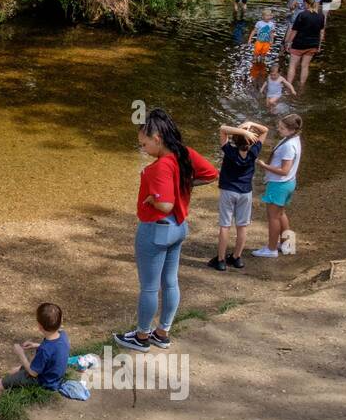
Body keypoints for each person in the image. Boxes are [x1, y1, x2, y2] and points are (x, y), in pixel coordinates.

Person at [114, 109, 218, 352]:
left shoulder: (158, 168)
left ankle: (141, 337)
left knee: (149, 287)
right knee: (170, 282)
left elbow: (166, 205)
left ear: (157, 139)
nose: (143, 149)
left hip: (156, 231)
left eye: (144, 144)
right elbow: (212, 174)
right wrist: (186, 183)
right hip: (179, 227)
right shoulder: (184, 154)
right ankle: (163, 332)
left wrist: (153, 200)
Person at [0, 303, 69, 409]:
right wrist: (35, 345)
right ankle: (0, 392)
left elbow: (33, 373)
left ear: (39, 326)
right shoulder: (63, 335)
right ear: (61, 321)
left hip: (44, 381)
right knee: (14, 370)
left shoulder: (45, 350)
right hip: (53, 374)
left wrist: (21, 354)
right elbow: (54, 349)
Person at [209, 121, 267, 271]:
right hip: (245, 193)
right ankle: (236, 257)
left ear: (235, 139)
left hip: (228, 191)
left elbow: (222, 129)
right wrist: (251, 124)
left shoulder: (229, 151)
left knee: (225, 226)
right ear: (252, 141)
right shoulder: (254, 151)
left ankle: (221, 260)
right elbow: (265, 130)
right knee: (242, 226)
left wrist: (243, 130)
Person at [251, 114, 304, 258]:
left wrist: (264, 166)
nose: (278, 129)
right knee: (280, 214)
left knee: (273, 217)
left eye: (282, 128)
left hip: (279, 184)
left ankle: (271, 249)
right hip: (289, 183)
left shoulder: (288, 145)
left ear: (291, 129)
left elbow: (284, 170)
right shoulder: (293, 139)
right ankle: (288, 245)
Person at [285, 0, 326, 89]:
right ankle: (301, 86)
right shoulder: (321, 16)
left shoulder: (302, 15)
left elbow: (294, 31)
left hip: (299, 44)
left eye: (304, 4)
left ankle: (288, 87)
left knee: (292, 65)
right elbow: (321, 32)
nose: (303, 5)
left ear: (307, 4)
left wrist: (288, 43)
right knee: (305, 66)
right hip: (313, 45)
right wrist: (319, 45)